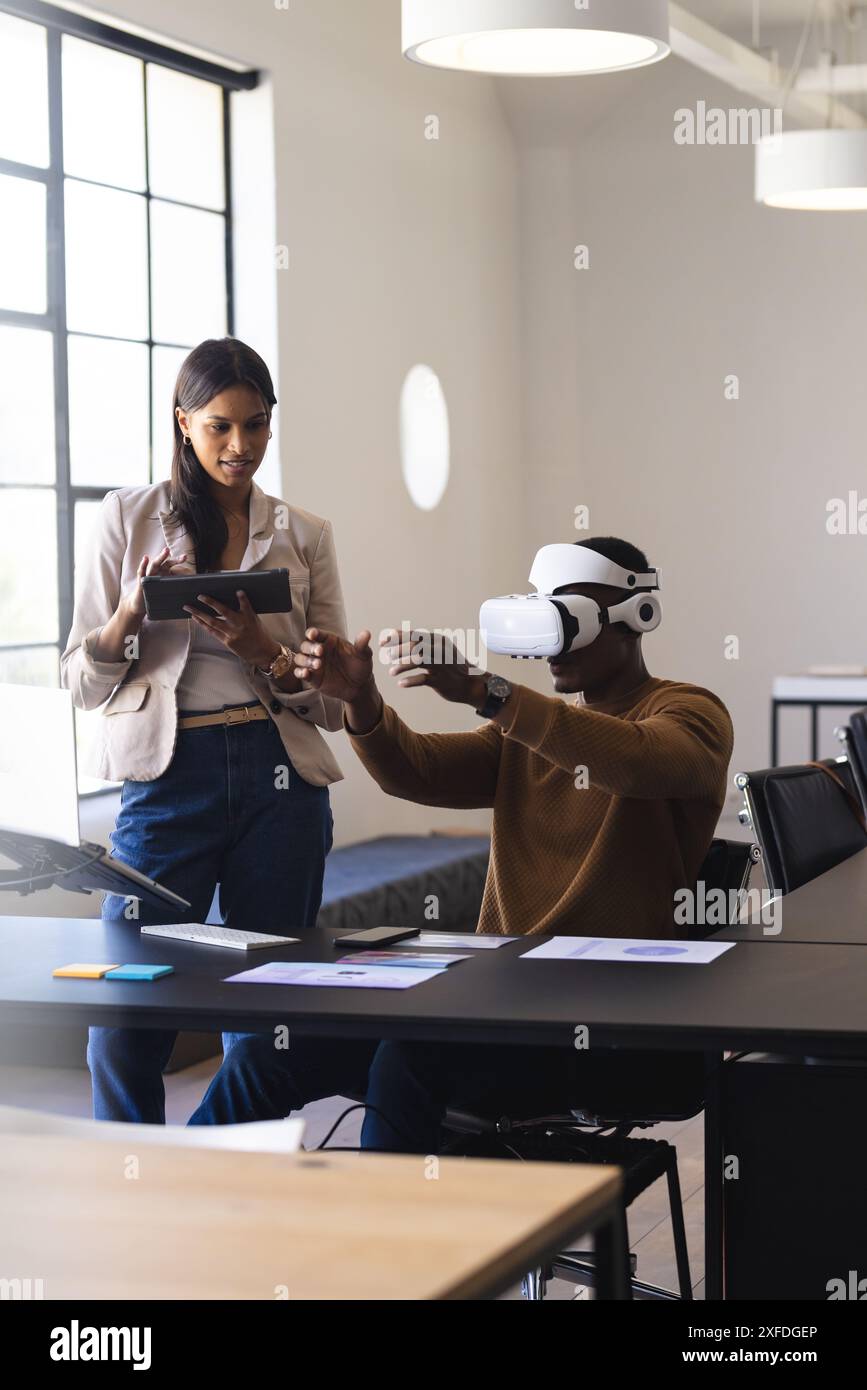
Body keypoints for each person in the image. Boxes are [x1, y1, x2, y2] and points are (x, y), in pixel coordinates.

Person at [285, 535, 735, 1152]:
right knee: (279, 1046)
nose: (554, 645)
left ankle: (387, 1241)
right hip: (501, 996)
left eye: (569, 621)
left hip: (606, 1027)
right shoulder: (532, 731)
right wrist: (362, 701)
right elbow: (415, 772)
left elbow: (637, 762)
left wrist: (485, 692)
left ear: (637, 618)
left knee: (410, 1055)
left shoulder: (691, 712)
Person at [60, 336, 347, 1124]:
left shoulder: (305, 534)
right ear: (182, 422)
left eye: (256, 426)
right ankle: (139, 1191)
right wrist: (127, 614)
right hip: (167, 776)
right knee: (123, 1020)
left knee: (268, 1022)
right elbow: (79, 682)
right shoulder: (128, 516)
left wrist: (269, 655)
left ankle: (219, 1176)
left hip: (279, 776)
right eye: (220, 426)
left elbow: (335, 702)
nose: (240, 446)